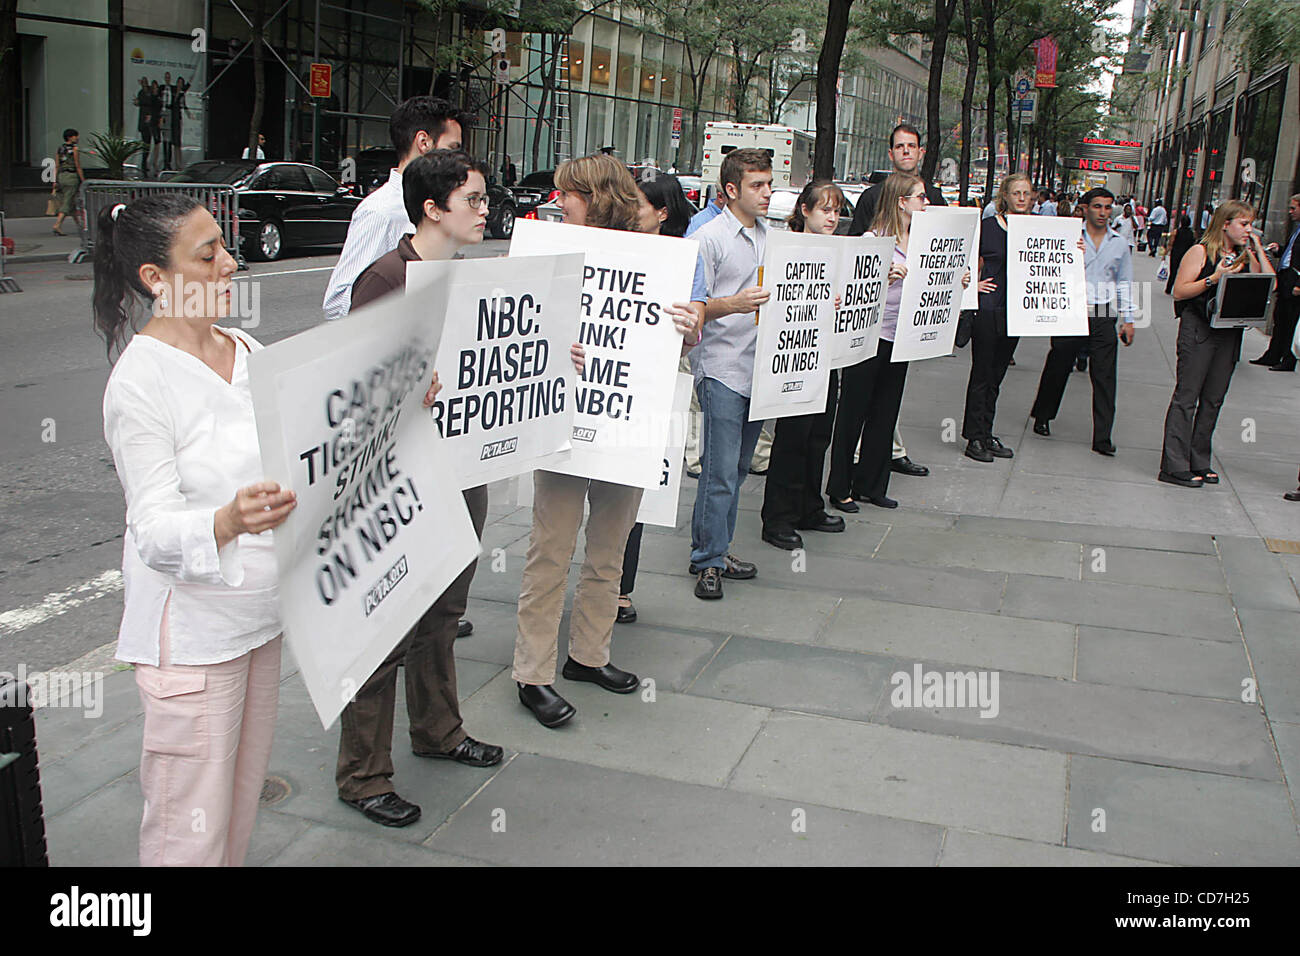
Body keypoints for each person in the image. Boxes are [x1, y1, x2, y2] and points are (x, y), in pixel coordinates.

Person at [333, 151, 537, 827]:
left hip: (459, 468)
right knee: (387, 627)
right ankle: (363, 775)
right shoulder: (387, 278)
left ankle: (438, 730)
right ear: (432, 209)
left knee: (442, 615)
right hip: (399, 483)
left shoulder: (463, 278)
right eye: (474, 200)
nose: (486, 211)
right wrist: (400, 391)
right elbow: (347, 390)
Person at [96, 194, 300, 864]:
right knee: (189, 831)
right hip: (194, 643)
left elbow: (309, 433)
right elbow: (152, 530)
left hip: (259, 624)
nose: (229, 263)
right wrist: (227, 521)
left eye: (224, 245)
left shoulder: (243, 348)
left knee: (237, 812)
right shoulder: (140, 382)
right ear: (156, 278)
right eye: (206, 253)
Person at [513, 154, 700, 725]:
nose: (557, 200)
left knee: (609, 550)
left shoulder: (655, 260)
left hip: (627, 417)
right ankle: (532, 673)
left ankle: (587, 656)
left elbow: (667, 345)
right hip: (565, 423)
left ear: (593, 196)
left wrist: (687, 331)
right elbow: (514, 325)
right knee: (551, 549)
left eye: (566, 192)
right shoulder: (551, 251)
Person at [322, 98, 477, 639]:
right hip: (398, 438)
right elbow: (344, 300)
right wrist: (399, 359)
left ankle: (438, 719)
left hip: (449, 433)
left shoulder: (455, 258)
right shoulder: (382, 219)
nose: (483, 209)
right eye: (454, 150)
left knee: (442, 602)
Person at [828, 174, 967, 511]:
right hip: (868, 338)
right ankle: (840, 485)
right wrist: (882, 277)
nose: (926, 203)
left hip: (900, 338)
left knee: (885, 413)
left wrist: (957, 281)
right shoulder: (872, 239)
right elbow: (850, 290)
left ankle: (871, 484)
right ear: (902, 202)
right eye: (920, 197)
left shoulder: (923, 241)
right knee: (853, 413)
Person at [687, 148, 773, 599]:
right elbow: (693, 305)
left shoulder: (769, 235)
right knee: (719, 469)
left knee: (737, 467)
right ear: (732, 189)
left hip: (758, 366)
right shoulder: (708, 236)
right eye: (757, 185)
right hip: (721, 366)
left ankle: (717, 548)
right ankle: (707, 560)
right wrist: (733, 304)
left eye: (768, 184)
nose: (767, 193)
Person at [618, 171, 697, 625]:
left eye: (640, 204)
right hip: (612, 380)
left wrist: (692, 325)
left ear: (662, 212)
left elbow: (697, 321)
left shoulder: (685, 258)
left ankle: (620, 589)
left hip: (655, 382)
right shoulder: (620, 246)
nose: (631, 211)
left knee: (636, 490)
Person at [323, 96, 470, 321]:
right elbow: (337, 303)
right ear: (424, 142)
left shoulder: (442, 204)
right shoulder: (381, 211)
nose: (460, 161)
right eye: (452, 149)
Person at [846, 123, 939, 480]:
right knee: (864, 399)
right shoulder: (873, 201)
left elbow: (945, 251)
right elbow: (859, 257)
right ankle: (860, 461)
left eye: (911, 146)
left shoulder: (930, 199)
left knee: (888, 402)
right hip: (876, 325)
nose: (905, 152)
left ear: (920, 152)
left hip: (906, 326)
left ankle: (882, 460)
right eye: (899, 146)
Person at [1159, 200, 1274, 487]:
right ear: (1225, 224)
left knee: (1213, 399)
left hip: (1228, 331)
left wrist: (1256, 248)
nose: (1248, 229)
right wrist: (1214, 278)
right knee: (1187, 397)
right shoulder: (1201, 251)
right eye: (1243, 224)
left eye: (1250, 224)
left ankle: (1199, 458)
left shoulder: (1242, 255)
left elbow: (1268, 281)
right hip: (1199, 328)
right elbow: (1180, 291)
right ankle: (1174, 464)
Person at [759, 180, 847, 548]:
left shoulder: (840, 249)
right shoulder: (786, 247)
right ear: (805, 211)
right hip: (795, 357)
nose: (832, 217)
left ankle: (808, 506)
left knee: (818, 437)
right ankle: (778, 517)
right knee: (793, 438)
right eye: (825, 209)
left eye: (837, 211)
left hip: (827, 354)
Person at [1029, 187, 1136, 456]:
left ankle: (1103, 437)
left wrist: (1129, 318)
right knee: (1058, 365)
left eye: (1108, 207)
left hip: (1102, 313)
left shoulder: (1119, 243)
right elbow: (1050, 269)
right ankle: (1043, 415)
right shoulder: (1070, 238)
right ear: (1085, 208)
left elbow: (1124, 282)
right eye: (1098, 206)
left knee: (1105, 376)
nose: (1103, 212)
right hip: (1072, 310)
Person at [962, 173, 1033, 462]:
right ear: (1005, 196)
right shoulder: (989, 227)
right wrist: (973, 287)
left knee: (997, 376)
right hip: (989, 308)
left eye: (1026, 193)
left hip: (1016, 311)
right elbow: (965, 258)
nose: (1021, 198)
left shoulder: (1037, 230)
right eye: (1016, 192)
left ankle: (986, 431)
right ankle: (973, 437)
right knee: (982, 374)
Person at [1250, 193, 1300, 371]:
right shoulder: (1297, 229)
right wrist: (1279, 250)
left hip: (1295, 282)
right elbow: (1292, 253)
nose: (1290, 211)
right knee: (1280, 318)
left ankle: (1287, 359)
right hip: (1286, 278)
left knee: (1290, 322)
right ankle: (1272, 355)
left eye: (1294, 208)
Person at [51, 128, 84, 236]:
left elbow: (57, 165)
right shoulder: (75, 149)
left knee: (71, 201)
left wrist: (55, 180)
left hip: (61, 176)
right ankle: (57, 224)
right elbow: (77, 165)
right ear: (70, 137)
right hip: (71, 176)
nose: (77, 138)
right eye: (75, 136)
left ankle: (80, 225)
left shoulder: (60, 149)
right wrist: (83, 180)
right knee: (67, 201)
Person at [1165, 213, 1196, 295]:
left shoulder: (1176, 232)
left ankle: (1168, 288)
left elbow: (1170, 244)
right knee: (1183, 273)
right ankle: (1179, 289)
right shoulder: (1192, 233)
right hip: (1186, 255)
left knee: (1173, 271)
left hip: (1176, 253)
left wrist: (1165, 254)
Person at [133, 78, 157, 177]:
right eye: (143, 83)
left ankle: (146, 163)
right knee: (145, 144)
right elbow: (141, 102)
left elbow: (151, 102)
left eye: (145, 82)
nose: (144, 84)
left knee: (149, 143)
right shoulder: (141, 93)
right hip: (144, 123)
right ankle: (143, 164)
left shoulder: (150, 92)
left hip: (151, 122)